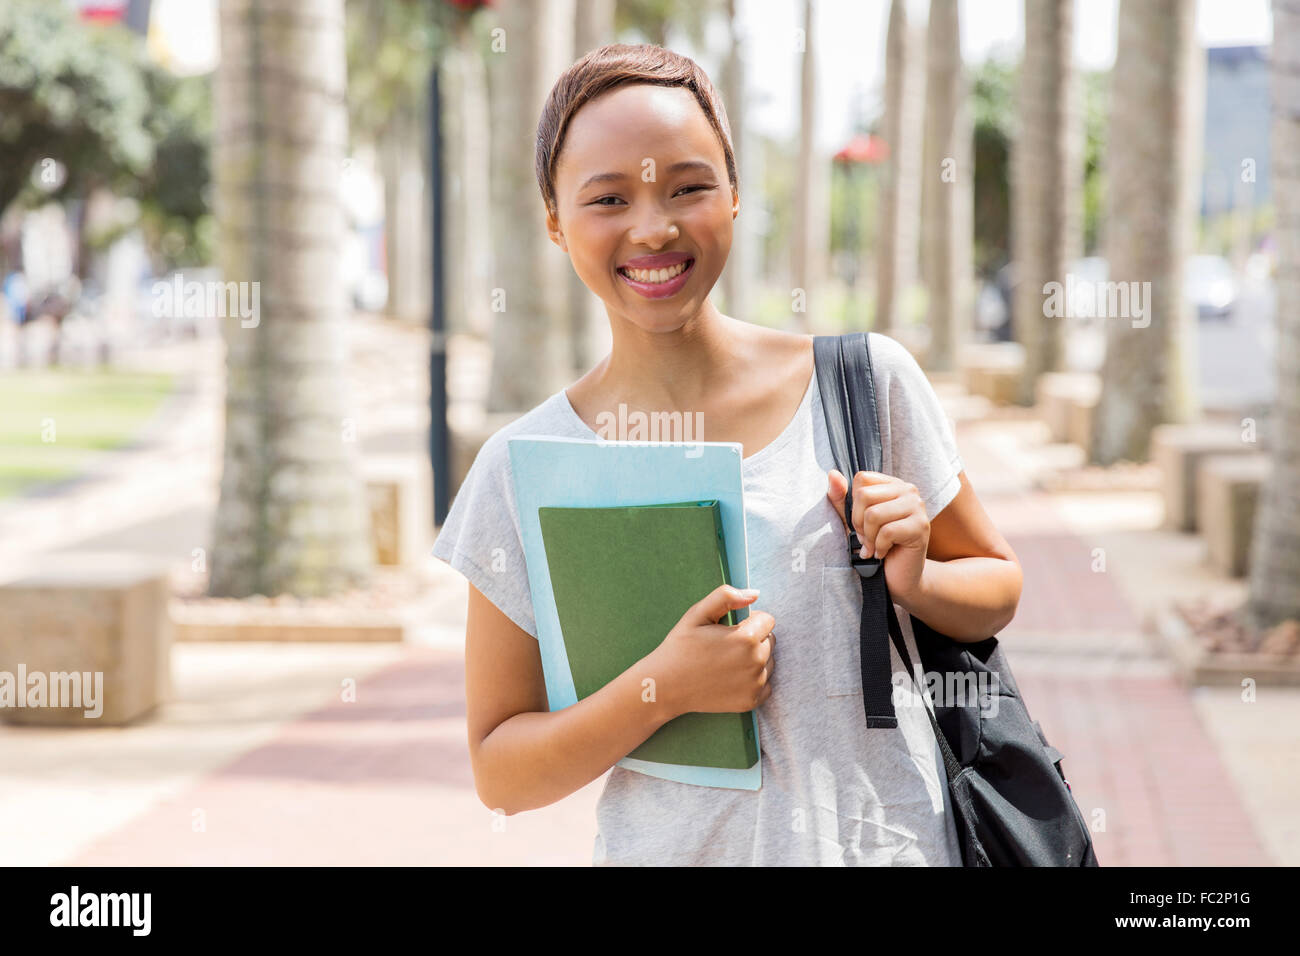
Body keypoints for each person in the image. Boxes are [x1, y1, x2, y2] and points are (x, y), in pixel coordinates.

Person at [432, 43, 1023, 866]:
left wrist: (916, 580)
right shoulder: (525, 464)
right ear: (557, 221)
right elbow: (503, 771)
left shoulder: (861, 383)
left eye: (688, 186)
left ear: (736, 195)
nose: (653, 227)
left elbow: (996, 588)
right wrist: (661, 690)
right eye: (608, 198)